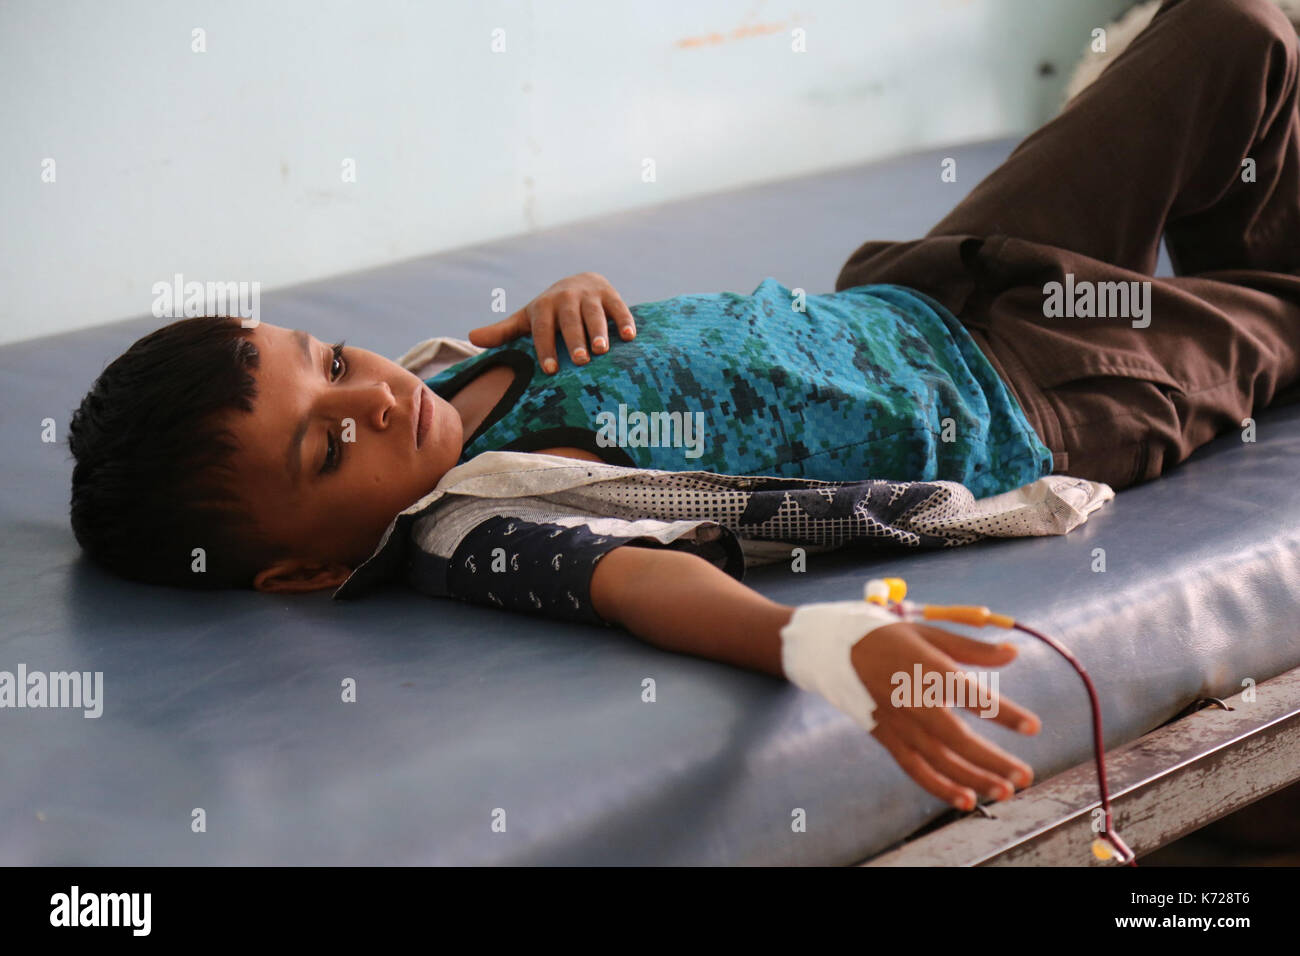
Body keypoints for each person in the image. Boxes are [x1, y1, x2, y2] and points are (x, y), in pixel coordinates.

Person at [67, 0, 1300, 812]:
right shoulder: (474, 523)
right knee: (1275, 307)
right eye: (328, 444)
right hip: (1030, 393)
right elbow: (645, 583)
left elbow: (545, 361)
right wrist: (827, 645)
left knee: (1229, 31)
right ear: (297, 571)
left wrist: (579, 294)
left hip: (931, 282)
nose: (373, 398)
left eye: (334, 358)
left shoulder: (424, 390)